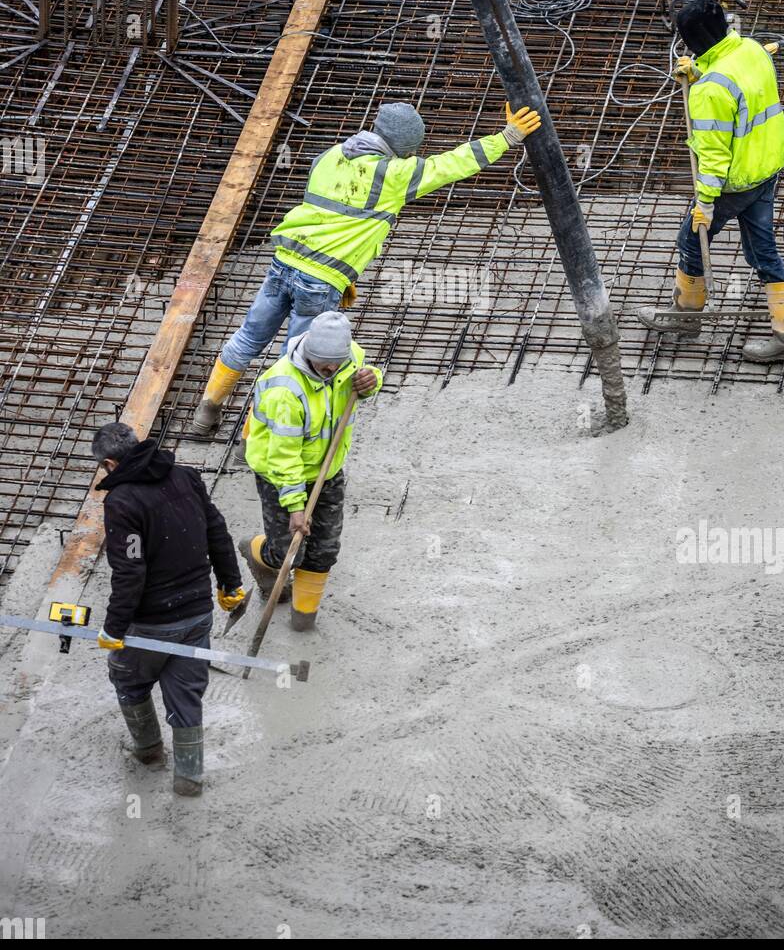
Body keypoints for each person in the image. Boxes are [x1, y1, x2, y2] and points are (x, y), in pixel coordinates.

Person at [191, 99, 540, 436]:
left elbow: (328, 215)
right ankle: (251, 440)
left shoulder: (328, 156)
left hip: (283, 262)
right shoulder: (393, 174)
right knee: (293, 364)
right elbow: (451, 164)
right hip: (320, 280)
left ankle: (207, 409)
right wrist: (507, 137)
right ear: (404, 146)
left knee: (248, 338)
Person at [638, 0, 784, 361]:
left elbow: (714, 158)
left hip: (735, 181)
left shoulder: (710, 91)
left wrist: (704, 205)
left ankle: (686, 317)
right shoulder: (752, 50)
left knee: (692, 238)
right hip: (767, 167)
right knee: (763, 250)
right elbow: (742, 86)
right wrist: (700, 69)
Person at [93, 422, 244, 796]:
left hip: (151, 624)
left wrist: (114, 628)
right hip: (197, 613)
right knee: (186, 693)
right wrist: (230, 583)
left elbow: (130, 572)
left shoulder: (121, 502)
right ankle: (189, 777)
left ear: (111, 464)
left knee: (129, 681)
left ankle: (149, 753)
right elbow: (217, 532)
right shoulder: (186, 477)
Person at [240, 310, 381, 632]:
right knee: (289, 554)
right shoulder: (285, 390)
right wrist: (296, 506)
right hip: (281, 476)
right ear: (309, 354)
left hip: (328, 470)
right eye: (323, 365)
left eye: (336, 364)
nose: (331, 370)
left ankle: (303, 622)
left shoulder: (350, 358)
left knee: (325, 550)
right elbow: (283, 456)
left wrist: (372, 380)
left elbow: (365, 378)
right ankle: (255, 550)